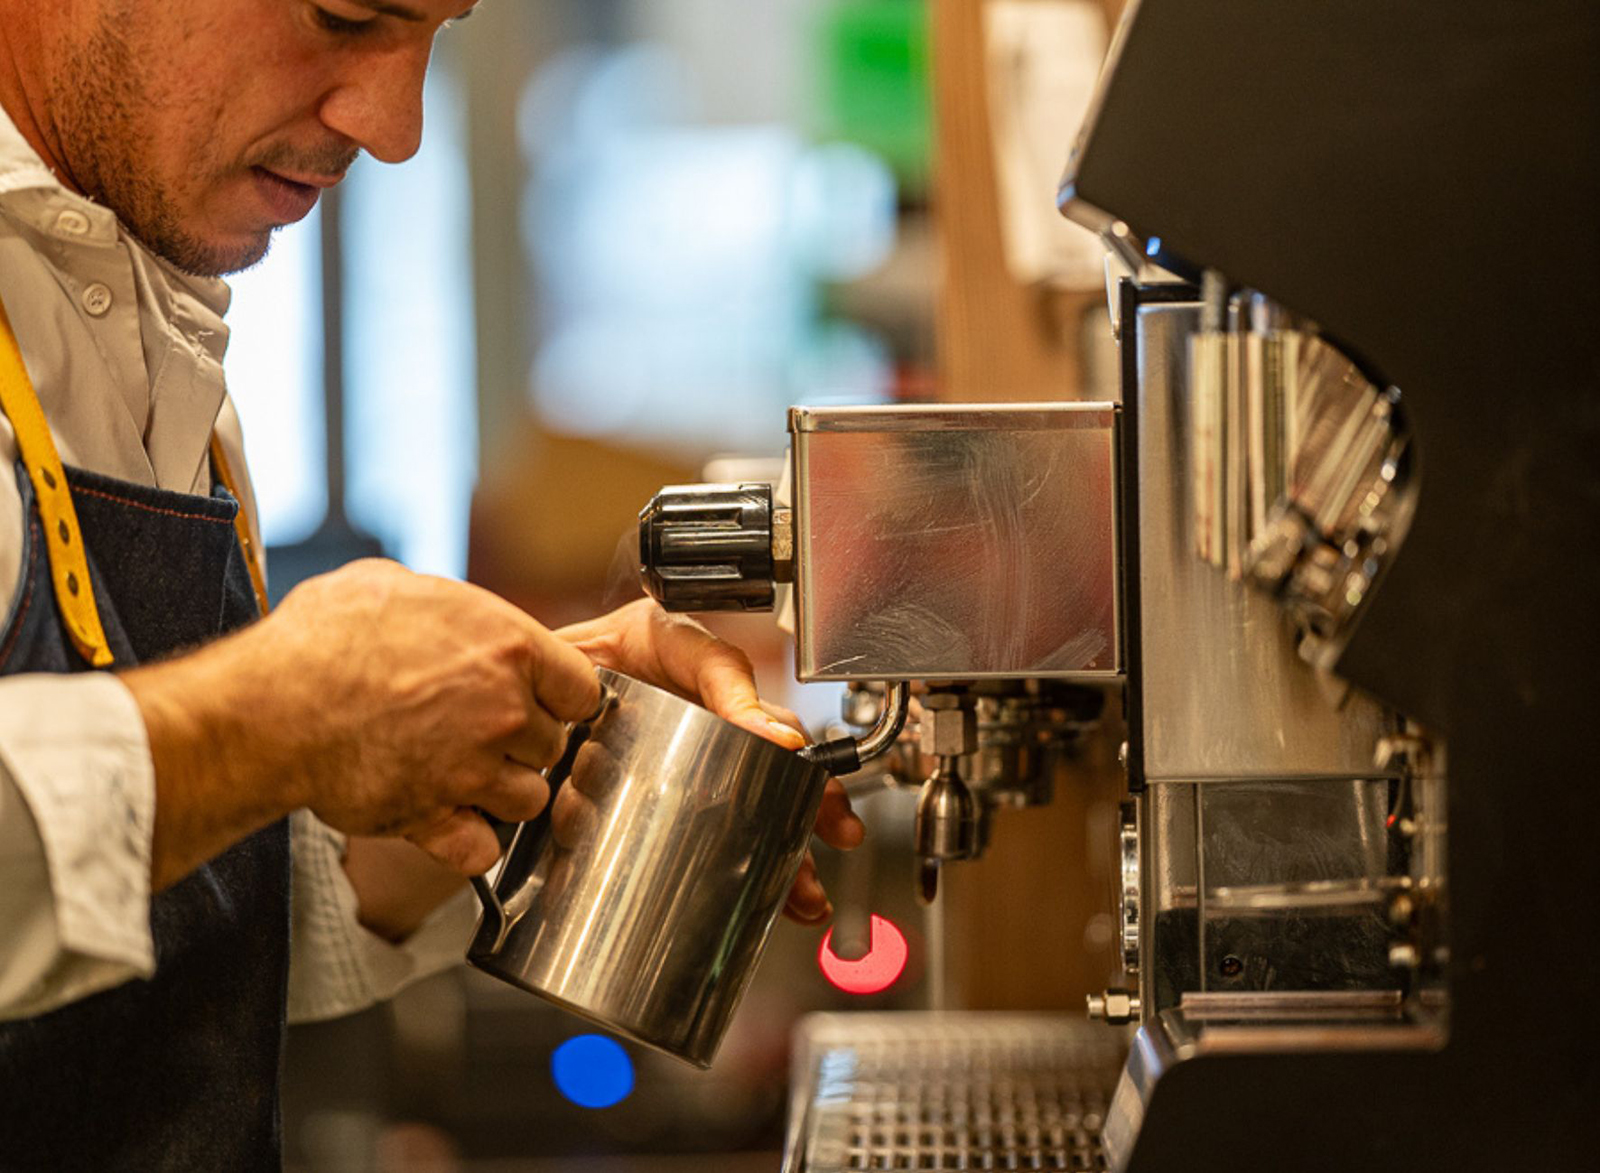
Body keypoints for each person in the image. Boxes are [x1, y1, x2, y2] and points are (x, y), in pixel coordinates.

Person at [0, 1, 862, 1167]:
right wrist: (276, 717)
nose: (395, 128)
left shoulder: (148, 320)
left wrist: (521, 751)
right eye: (346, 15)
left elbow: (146, 943)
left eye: (436, 32)